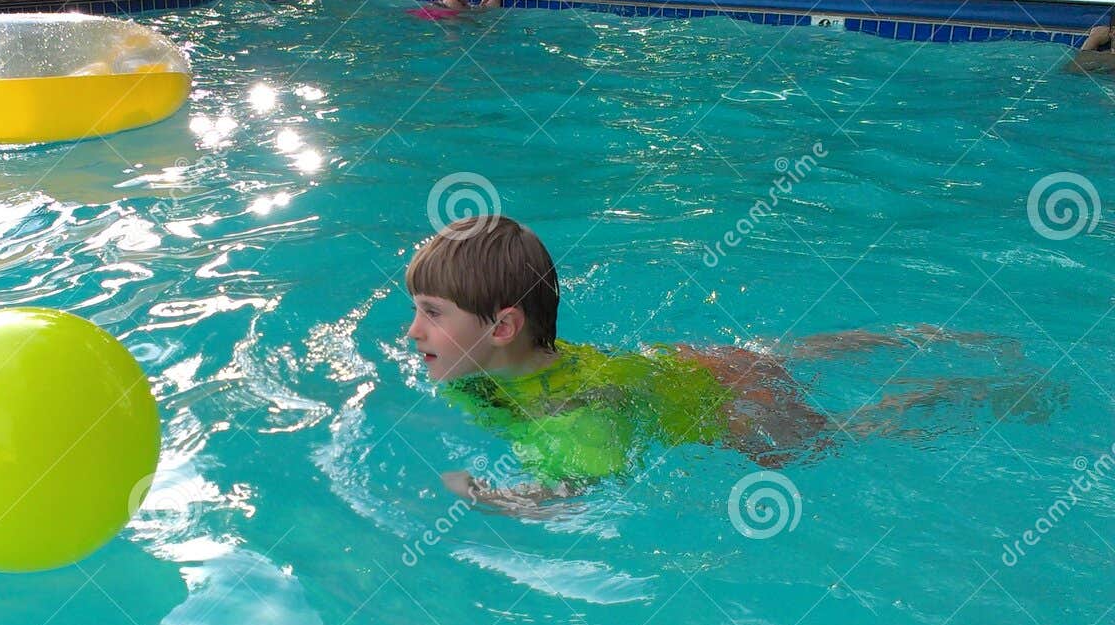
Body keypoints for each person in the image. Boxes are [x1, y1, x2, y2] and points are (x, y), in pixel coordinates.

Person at [404, 216, 1033, 510]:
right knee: (782, 353)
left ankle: (962, 392)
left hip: (734, 405)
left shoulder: (573, 417)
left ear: (504, 326)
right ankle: (911, 336)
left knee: (839, 440)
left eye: (432, 313)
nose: (412, 333)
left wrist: (481, 493)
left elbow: (570, 497)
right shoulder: (485, 371)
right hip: (684, 365)